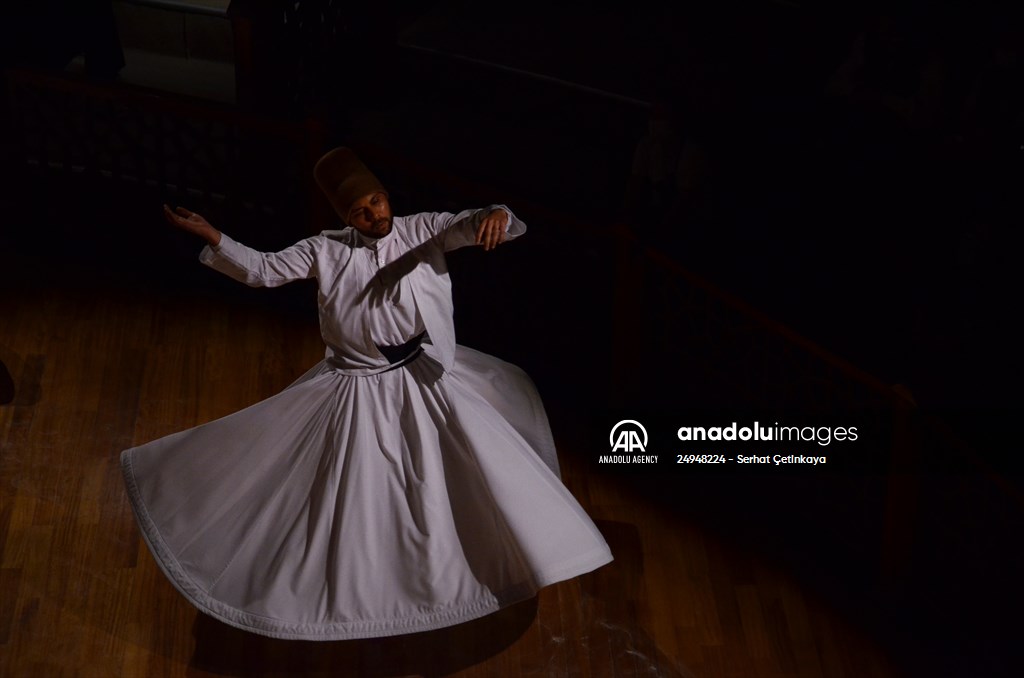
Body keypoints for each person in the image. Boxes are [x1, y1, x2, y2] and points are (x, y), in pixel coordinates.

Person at [120, 147, 613, 641]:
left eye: (378, 201)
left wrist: (495, 215)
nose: (376, 214)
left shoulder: (421, 230)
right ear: (345, 217)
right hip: (357, 385)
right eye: (361, 210)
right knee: (362, 494)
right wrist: (216, 238)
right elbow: (266, 270)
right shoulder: (325, 250)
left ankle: (460, 568)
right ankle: (368, 595)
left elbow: (465, 223)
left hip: (424, 376)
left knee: (452, 474)